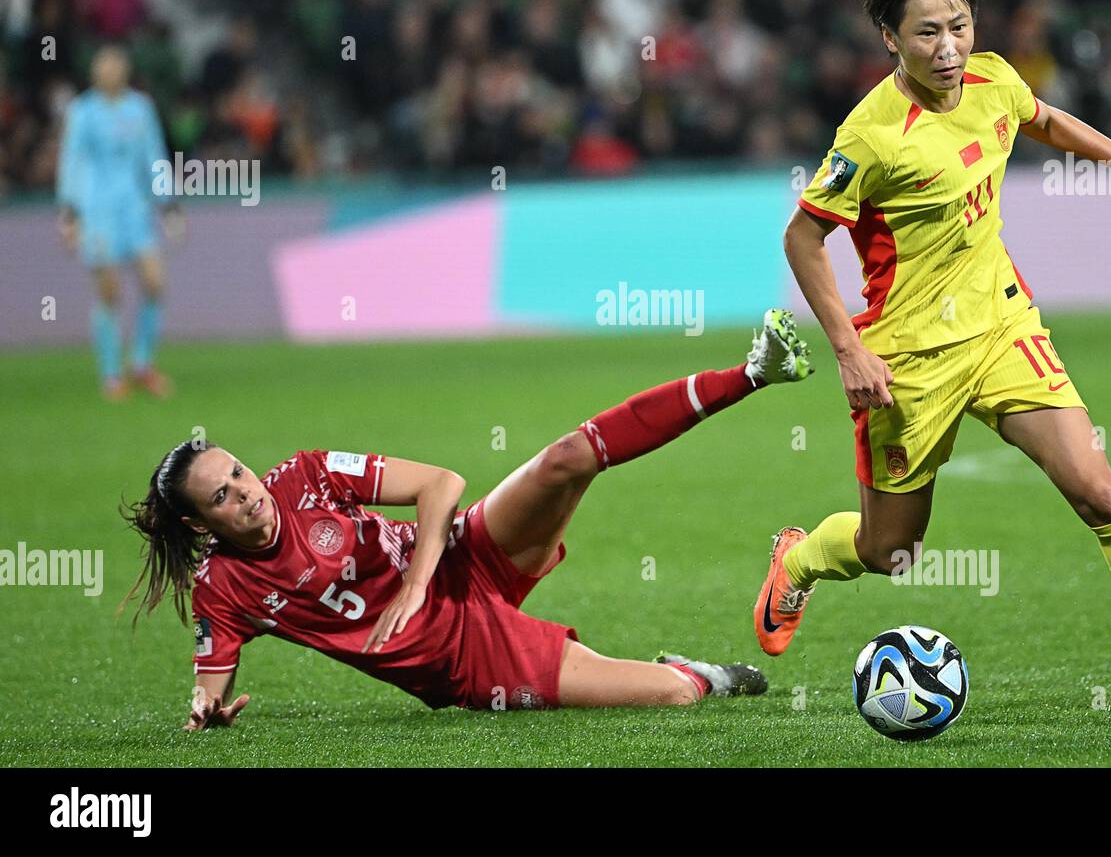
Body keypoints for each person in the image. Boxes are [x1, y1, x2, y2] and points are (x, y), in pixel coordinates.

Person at [757, 0, 1111, 718]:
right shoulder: (870, 135)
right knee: (891, 550)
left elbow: (1047, 121)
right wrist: (848, 349)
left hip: (1002, 329)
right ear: (890, 37)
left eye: (959, 25)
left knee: (1098, 490)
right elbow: (802, 235)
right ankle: (799, 561)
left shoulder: (993, 80)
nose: (949, 47)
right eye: (926, 31)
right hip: (907, 362)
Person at [122, 311, 812, 727]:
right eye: (221, 497)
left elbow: (442, 484)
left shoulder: (304, 475)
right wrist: (205, 713)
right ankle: (706, 674)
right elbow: (210, 682)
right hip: (462, 659)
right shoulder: (223, 589)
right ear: (197, 527)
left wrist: (419, 582)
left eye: (237, 472)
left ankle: (752, 371)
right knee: (670, 698)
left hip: (461, 553)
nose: (244, 492)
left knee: (566, 458)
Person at [57, 45, 181, 400]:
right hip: (97, 211)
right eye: (103, 65)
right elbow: (72, 161)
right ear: (95, 72)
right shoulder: (83, 111)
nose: (109, 71)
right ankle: (112, 374)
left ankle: (142, 364)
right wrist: (69, 211)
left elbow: (154, 156)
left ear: (124, 70)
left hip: (135, 210)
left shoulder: (140, 108)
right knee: (109, 292)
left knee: (154, 283)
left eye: (115, 65)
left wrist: (168, 203)